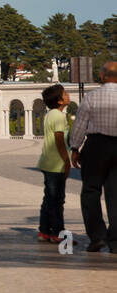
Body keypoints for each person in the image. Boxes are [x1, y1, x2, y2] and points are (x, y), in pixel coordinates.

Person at [69, 60, 117, 253]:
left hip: (96, 146)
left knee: (91, 190)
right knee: (115, 194)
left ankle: (97, 236)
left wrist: (75, 148)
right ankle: (115, 241)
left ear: (102, 76)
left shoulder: (91, 97)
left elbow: (80, 125)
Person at [36, 83, 70, 243]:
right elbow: (59, 139)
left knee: (49, 199)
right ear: (59, 101)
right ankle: (57, 233)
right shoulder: (59, 116)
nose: (68, 95)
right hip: (56, 164)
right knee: (57, 200)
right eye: (65, 93)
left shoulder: (50, 114)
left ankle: (44, 231)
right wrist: (67, 160)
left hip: (47, 162)